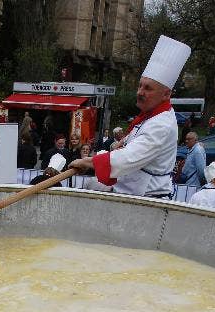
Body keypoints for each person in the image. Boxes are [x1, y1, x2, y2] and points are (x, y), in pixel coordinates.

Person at [69, 35, 190, 199]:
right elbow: (127, 147)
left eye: (148, 88)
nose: (140, 92)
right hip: (134, 193)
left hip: (148, 200)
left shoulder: (162, 124)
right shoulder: (150, 116)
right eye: (140, 86)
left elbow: (129, 158)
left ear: (166, 94)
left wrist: (88, 162)